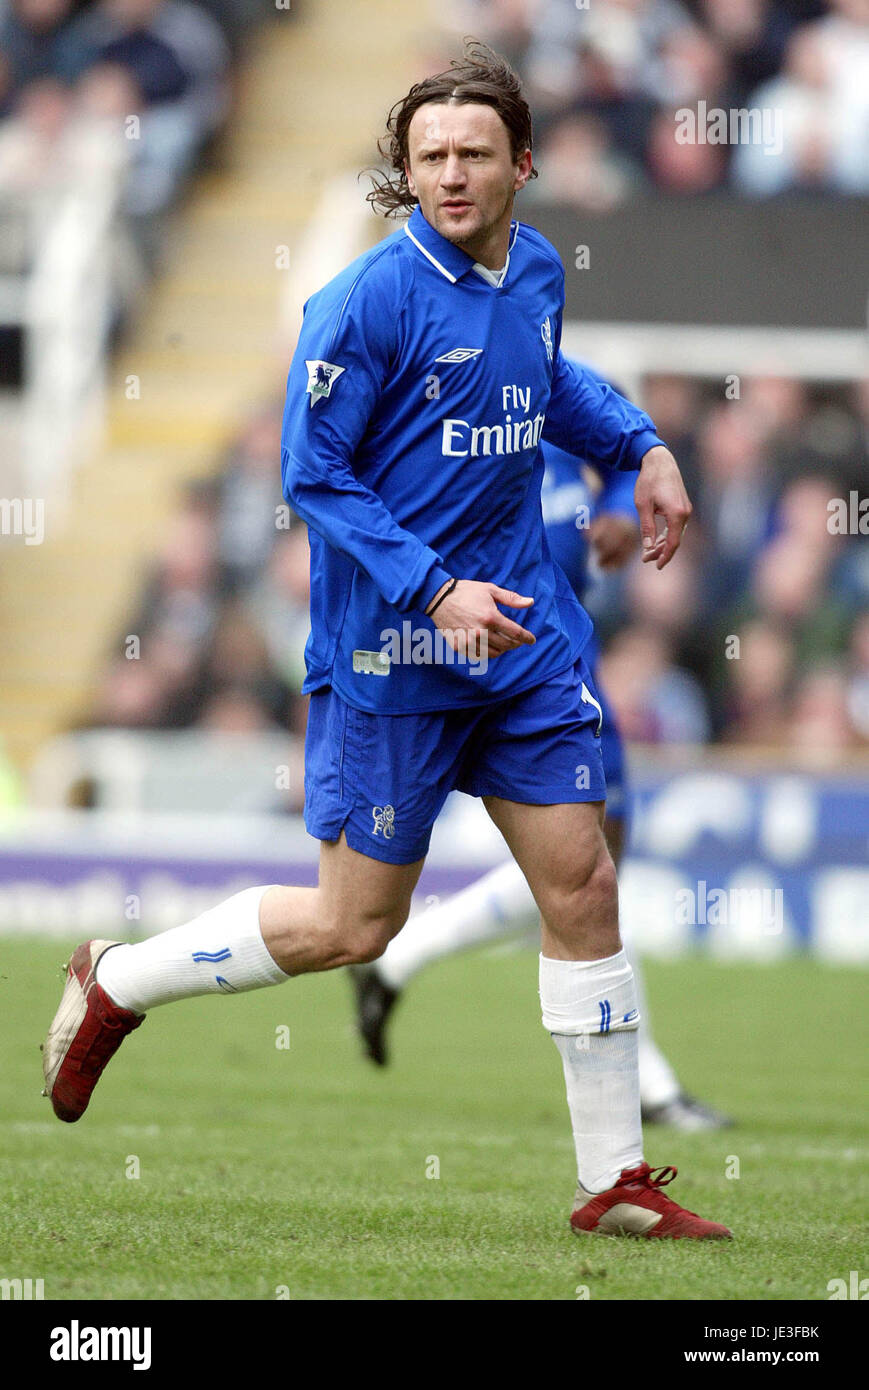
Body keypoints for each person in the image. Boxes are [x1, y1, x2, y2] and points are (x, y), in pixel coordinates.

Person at [42, 42, 731, 1240]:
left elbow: (542, 382)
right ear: (404, 172)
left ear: (521, 162)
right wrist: (432, 590)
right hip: (394, 655)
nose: (451, 176)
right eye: (428, 159)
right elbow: (313, 472)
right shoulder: (362, 300)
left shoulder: (528, 273)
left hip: (517, 640)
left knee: (581, 882)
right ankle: (117, 979)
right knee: (353, 926)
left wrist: (638, 444)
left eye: (472, 155)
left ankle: (611, 1180)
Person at [351, 395, 734, 1131]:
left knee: (588, 874)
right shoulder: (458, 437)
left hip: (567, 666)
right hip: (487, 680)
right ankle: (645, 1086)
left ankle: (400, 959)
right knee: (585, 875)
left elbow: (630, 452)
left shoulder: (553, 411)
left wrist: (625, 507)